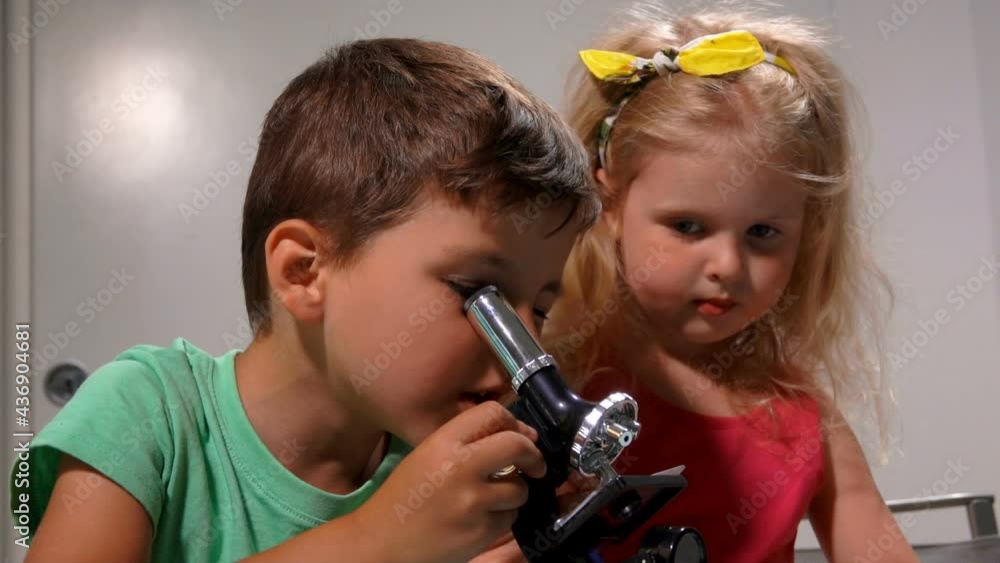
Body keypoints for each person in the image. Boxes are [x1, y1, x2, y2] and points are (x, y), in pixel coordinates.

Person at [13, 38, 601, 563]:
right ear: (304, 272)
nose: (521, 349)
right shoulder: (147, 415)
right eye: (479, 296)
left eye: (540, 309)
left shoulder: (461, 481)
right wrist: (377, 540)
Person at [545, 5, 919, 562]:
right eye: (688, 226)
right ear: (610, 202)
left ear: (808, 233)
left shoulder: (801, 416)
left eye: (763, 233)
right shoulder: (561, 387)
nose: (728, 265)